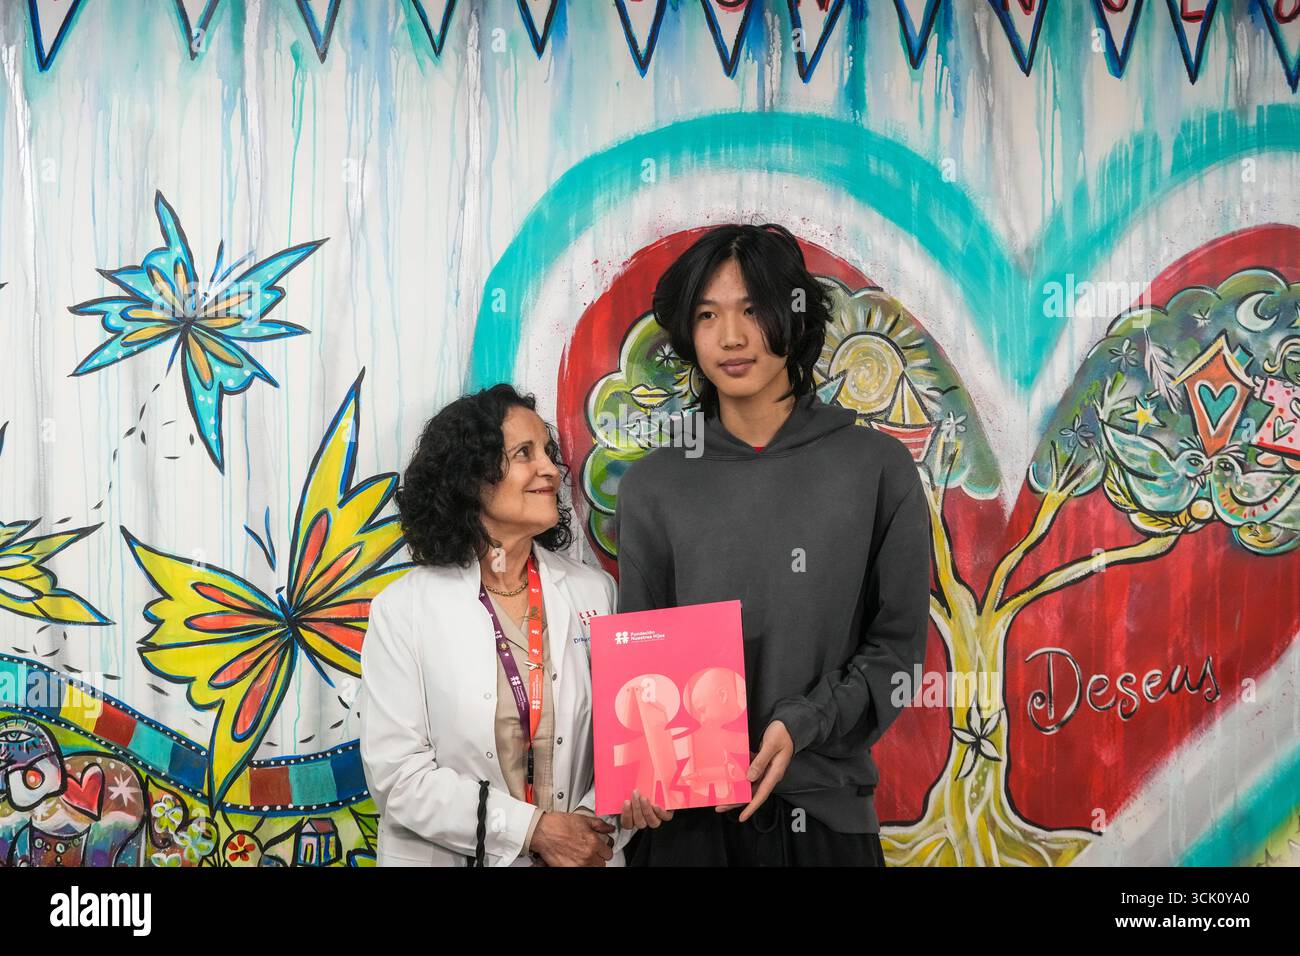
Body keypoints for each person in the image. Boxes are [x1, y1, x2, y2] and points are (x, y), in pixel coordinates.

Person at [613, 223, 931, 866]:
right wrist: (638, 775)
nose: (731, 337)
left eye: (753, 310)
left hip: (822, 815)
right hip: (686, 831)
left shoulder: (875, 467)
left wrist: (804, 721)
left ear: (796, 317)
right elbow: (641, 662)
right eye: (707, 315)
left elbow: (898, 655)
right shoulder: (655, 483)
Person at [359, 384, 671, 867]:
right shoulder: (404, 610)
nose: (550, 468)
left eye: (547, 451)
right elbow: (399, 778)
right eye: (524, 453)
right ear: (471, 478)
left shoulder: (595, 594)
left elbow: (624, 744)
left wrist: (588, 827)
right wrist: (534, 832)